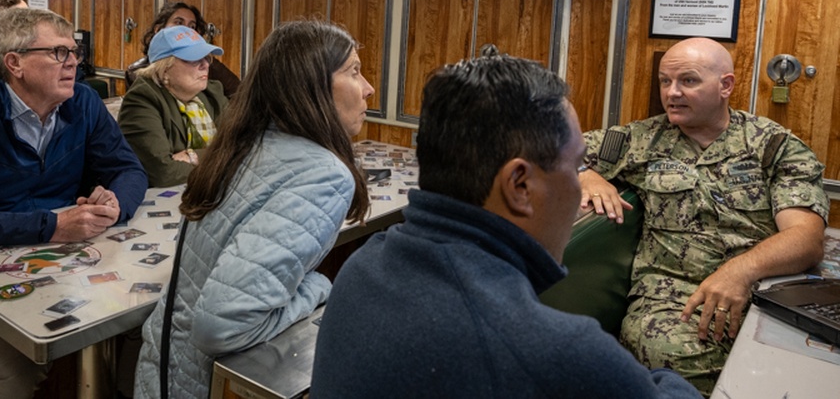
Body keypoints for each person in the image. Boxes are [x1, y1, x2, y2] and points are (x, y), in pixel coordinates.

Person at [310, 54, 701, 399]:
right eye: (576, 167)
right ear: (520, 186)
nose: (577, 186)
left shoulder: (361, 270)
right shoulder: (557, 351)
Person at [0, 7, 147, 399]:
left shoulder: (84, 103)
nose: (73, 62)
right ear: (15, 63)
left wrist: (114, 202)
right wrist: (51, 227)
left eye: (74, 52)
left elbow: (131, 171)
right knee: (17, 369)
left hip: (62, 266)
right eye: (58, 52)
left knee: (148, 323)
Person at [134, 20, 374, 398]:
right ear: (311, 87)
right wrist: (319, 286)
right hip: (205, 383)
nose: (368, 88)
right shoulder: (323, 175)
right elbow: (222, 325)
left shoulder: (248, 144)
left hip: (165, 368)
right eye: (354, 72)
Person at [579, 37, 828, 396]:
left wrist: (739, 271)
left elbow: (806, 238)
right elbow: (553, 146)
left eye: (688, 81)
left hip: (765, 288)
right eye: (665, 81)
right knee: (672, 355)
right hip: (674, 298)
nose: (672, 93)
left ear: (725, 86)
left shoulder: (771, 145)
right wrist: (586, 173)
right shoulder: (642, 139)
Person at [118, 25, 229, 186]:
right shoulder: (142, 99)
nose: (205, 65)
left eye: (206, 57)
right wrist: (224, 159)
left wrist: (193, 156)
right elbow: (163, 173)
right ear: (164, 69)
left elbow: (244, 147)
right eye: (193, 59)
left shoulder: (212, 92)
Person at [125, 1, 240, 97]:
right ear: (158, 29)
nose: (186, 30)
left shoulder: (208, 64)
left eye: (192, 26)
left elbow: (238, 93)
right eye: (178, 23)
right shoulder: (137, 72)